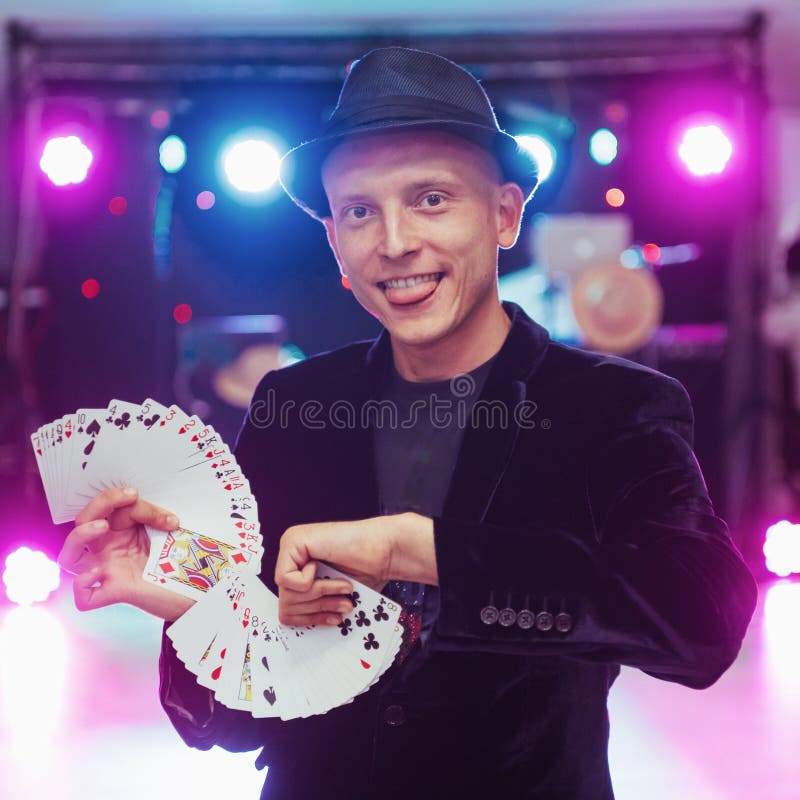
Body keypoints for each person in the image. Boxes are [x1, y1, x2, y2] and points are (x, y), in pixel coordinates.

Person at [58, 47, 757, 799]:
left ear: (505, 213)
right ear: (335, 244)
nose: (393, 243)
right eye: (359, 211)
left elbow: (702, 621)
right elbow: (237, 714)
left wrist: (417, 550)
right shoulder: (291, 405)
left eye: (430, 199)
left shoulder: (611, 407)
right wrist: (181, 591)